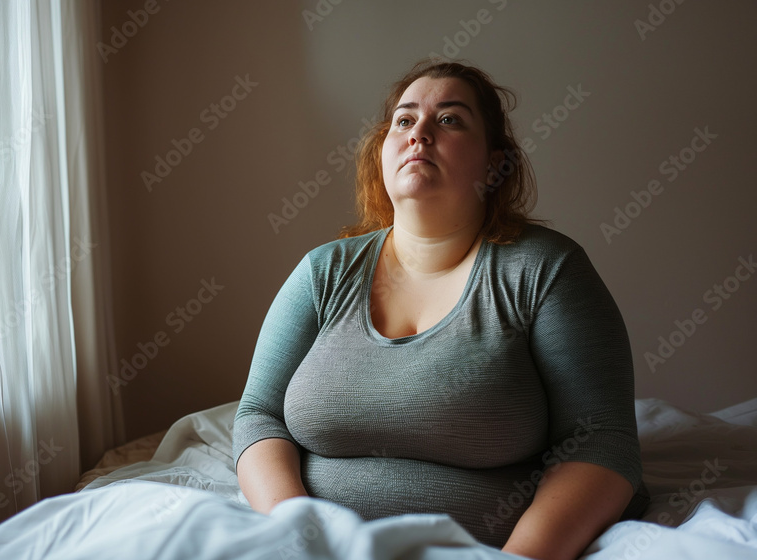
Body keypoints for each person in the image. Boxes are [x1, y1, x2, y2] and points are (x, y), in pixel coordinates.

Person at [232, 58, 650, 559]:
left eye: (450, 119)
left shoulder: (546, 270)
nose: (420, 133)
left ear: (496, 164)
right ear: (382, 151)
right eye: (404, 120)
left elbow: (601, 441)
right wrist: (297, 535)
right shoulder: (323, 271)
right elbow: (259, 415)